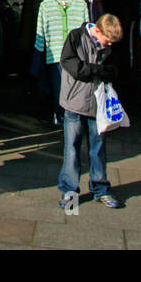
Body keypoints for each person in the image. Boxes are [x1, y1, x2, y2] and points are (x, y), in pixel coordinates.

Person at [57, 13, 124, 210]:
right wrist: (97, 70)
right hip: (74, 102)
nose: (109, 45)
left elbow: (115, 69)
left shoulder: (110, 43)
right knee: (72, 148)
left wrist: (101, 71)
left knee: (99, 148)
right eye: (107, 40)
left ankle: (100, 188)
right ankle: (69, 191)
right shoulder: (76, 37)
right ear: (97, 30)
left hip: (97, 103)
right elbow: (70, 64)